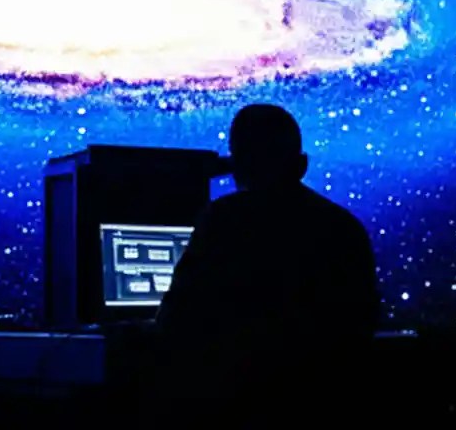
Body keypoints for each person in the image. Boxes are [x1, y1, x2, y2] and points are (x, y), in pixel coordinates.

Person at [154, 104, 379, 424]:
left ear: (236, 166)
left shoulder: (224, 219)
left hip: (242, 405)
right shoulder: (345, 227)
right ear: (301, 165)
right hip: (330, 405)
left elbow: (177, 320)